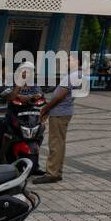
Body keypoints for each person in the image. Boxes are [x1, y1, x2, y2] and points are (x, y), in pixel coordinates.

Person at [36, 55, 84, 185]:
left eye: (70, 59)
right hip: (64, 111)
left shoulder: (73, 76)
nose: (67, 61)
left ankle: (52, 173)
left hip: (60, 112)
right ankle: (57, 172)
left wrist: (45, 109)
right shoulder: (77, 74)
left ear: (77, 61)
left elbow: (59, 96)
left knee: (55, 143)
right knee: (60, 143)